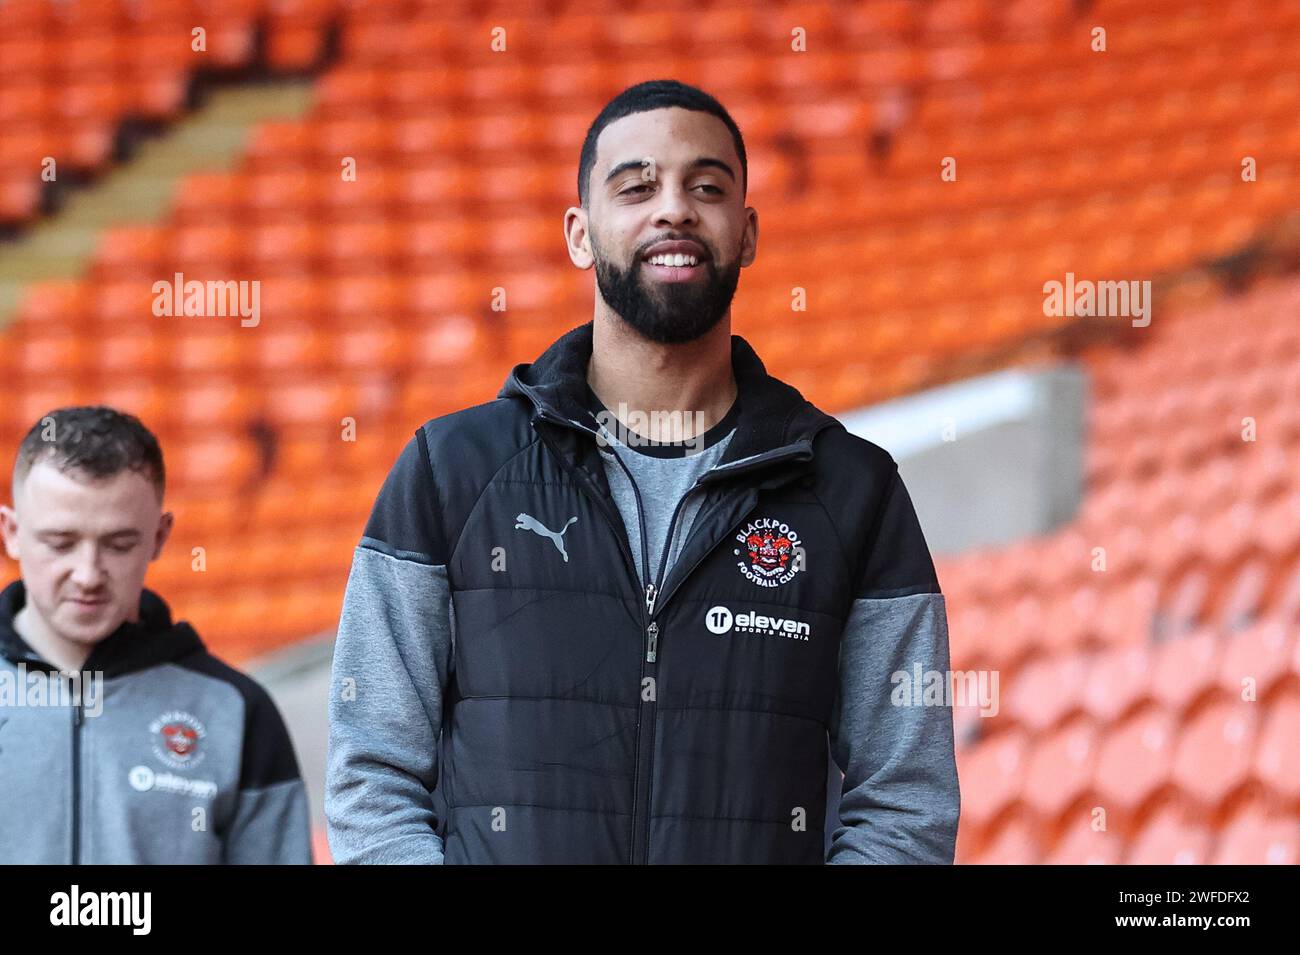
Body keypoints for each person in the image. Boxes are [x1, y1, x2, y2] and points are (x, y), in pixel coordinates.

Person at [327, 79, 959, 864]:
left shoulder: (852, 492)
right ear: (580, 234)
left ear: (748, 231)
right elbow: (372, 777)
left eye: (707, 187)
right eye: (636, 187)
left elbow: (907, 803)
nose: (674, 209)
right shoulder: (449, 472)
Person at [0, 406, 312, 864]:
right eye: (61, 543)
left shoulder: (235, 712)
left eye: (119, 544)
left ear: (160, 537)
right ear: (11, 532)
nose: (88, 574)